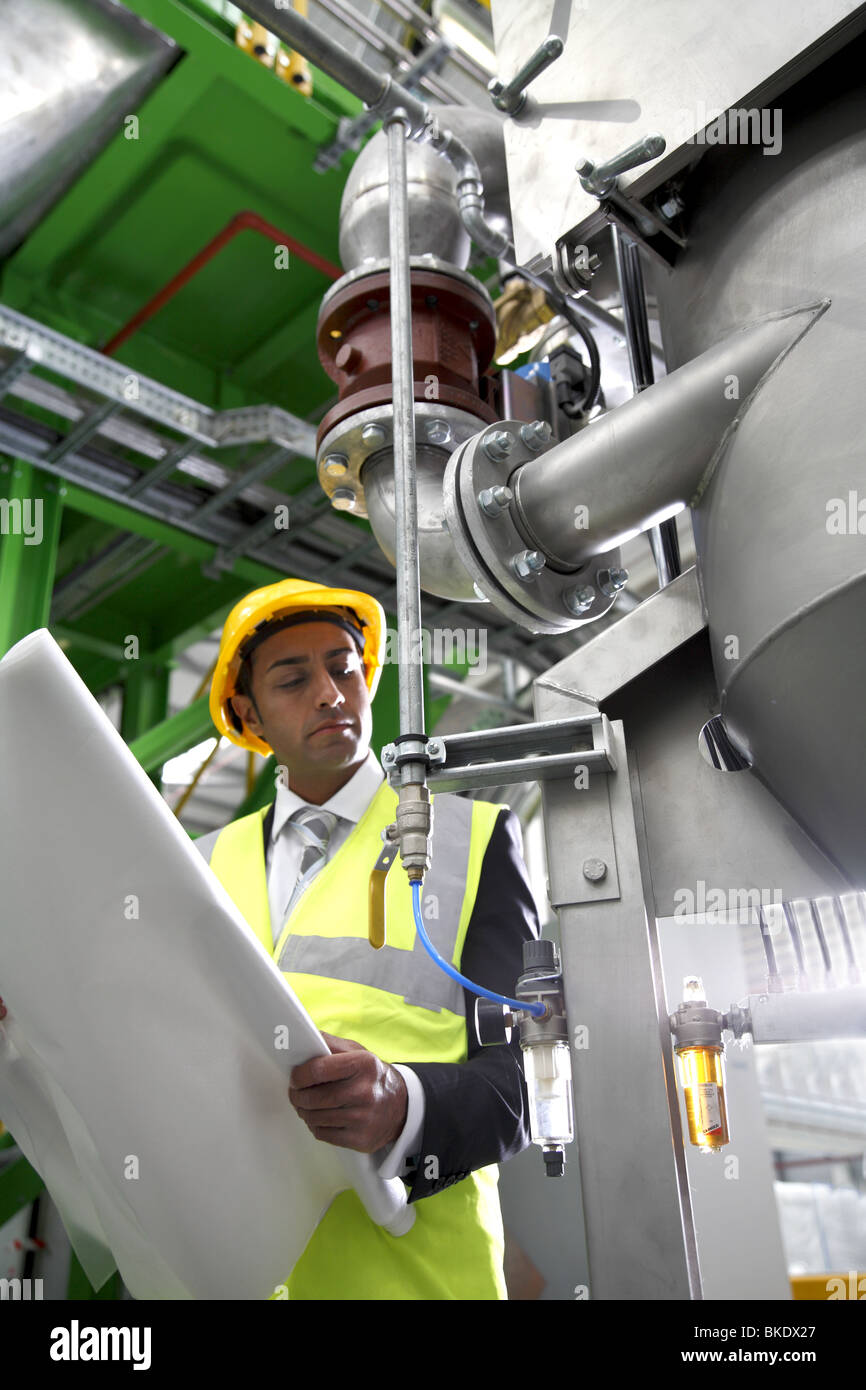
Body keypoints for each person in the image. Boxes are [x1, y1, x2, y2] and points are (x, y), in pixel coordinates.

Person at [194, 577, 540, 1299]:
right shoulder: (195, 866)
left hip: (413, 1284)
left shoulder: (471, 842)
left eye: (344, 667)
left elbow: (532, 1081)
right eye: (293, 679)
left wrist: (404, 1103)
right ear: (249, 713)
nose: (329, 692)